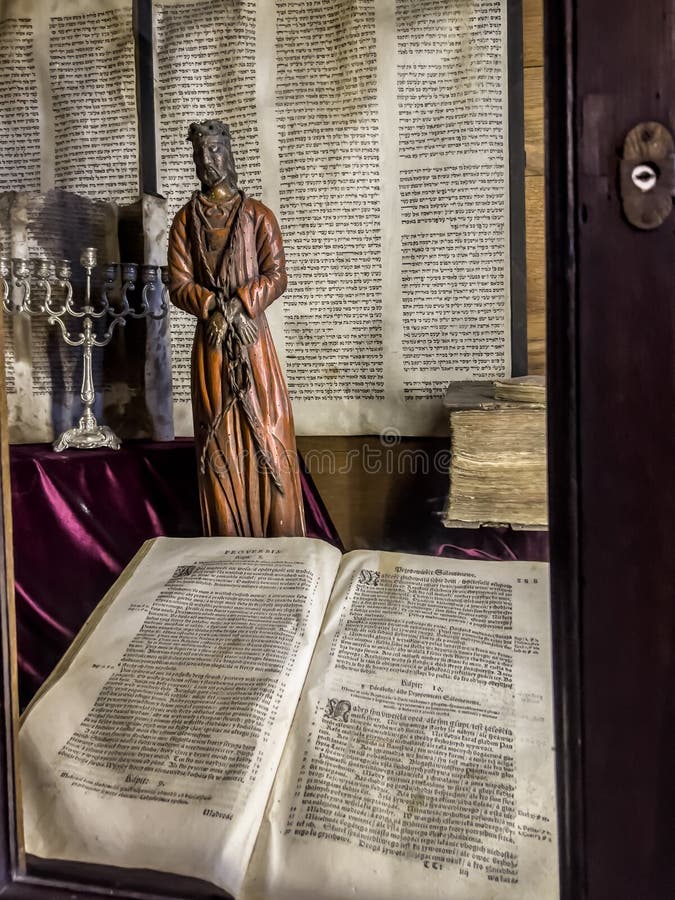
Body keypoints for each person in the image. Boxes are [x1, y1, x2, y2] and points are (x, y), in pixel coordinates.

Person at [167, 119, 305, 537]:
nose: (207, 161)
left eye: (214, 151)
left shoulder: (258, 216)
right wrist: (213, 309)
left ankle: (278, 531)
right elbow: (178, 283)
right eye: (199, 154)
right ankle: (229, 535)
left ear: (229, 154)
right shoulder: (184, 222)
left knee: (268, 425)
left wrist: (241, 309)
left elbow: (276, 274)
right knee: (218, 434)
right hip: (211, 345)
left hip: (253, 342)